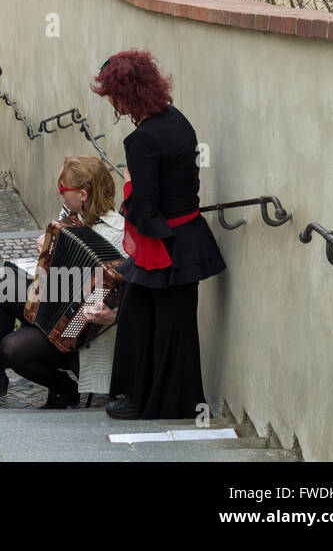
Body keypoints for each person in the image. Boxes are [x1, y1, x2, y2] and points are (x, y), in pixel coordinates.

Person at [92, 50, 226, 421]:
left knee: (145, 323)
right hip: (187, 238)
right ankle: (168, 401)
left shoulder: (142, 140)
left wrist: (128, 198)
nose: (114, 105)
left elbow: (146, 207)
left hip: (165, 244)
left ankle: (147, 402)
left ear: (127, 96)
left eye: (115, 98)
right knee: (172, 326)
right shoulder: (178, 120)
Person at [0, 157, 126, 407]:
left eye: (62, 189)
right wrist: (45, 244)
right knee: (1, 285)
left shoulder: (120, 235)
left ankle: (64, 388)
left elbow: (137, 297)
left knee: (12, 348)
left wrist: (112, 315)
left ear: (83, 194)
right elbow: (54, 263)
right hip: (52, 304)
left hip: (82, 336)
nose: (60, 195)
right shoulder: (71, 215)